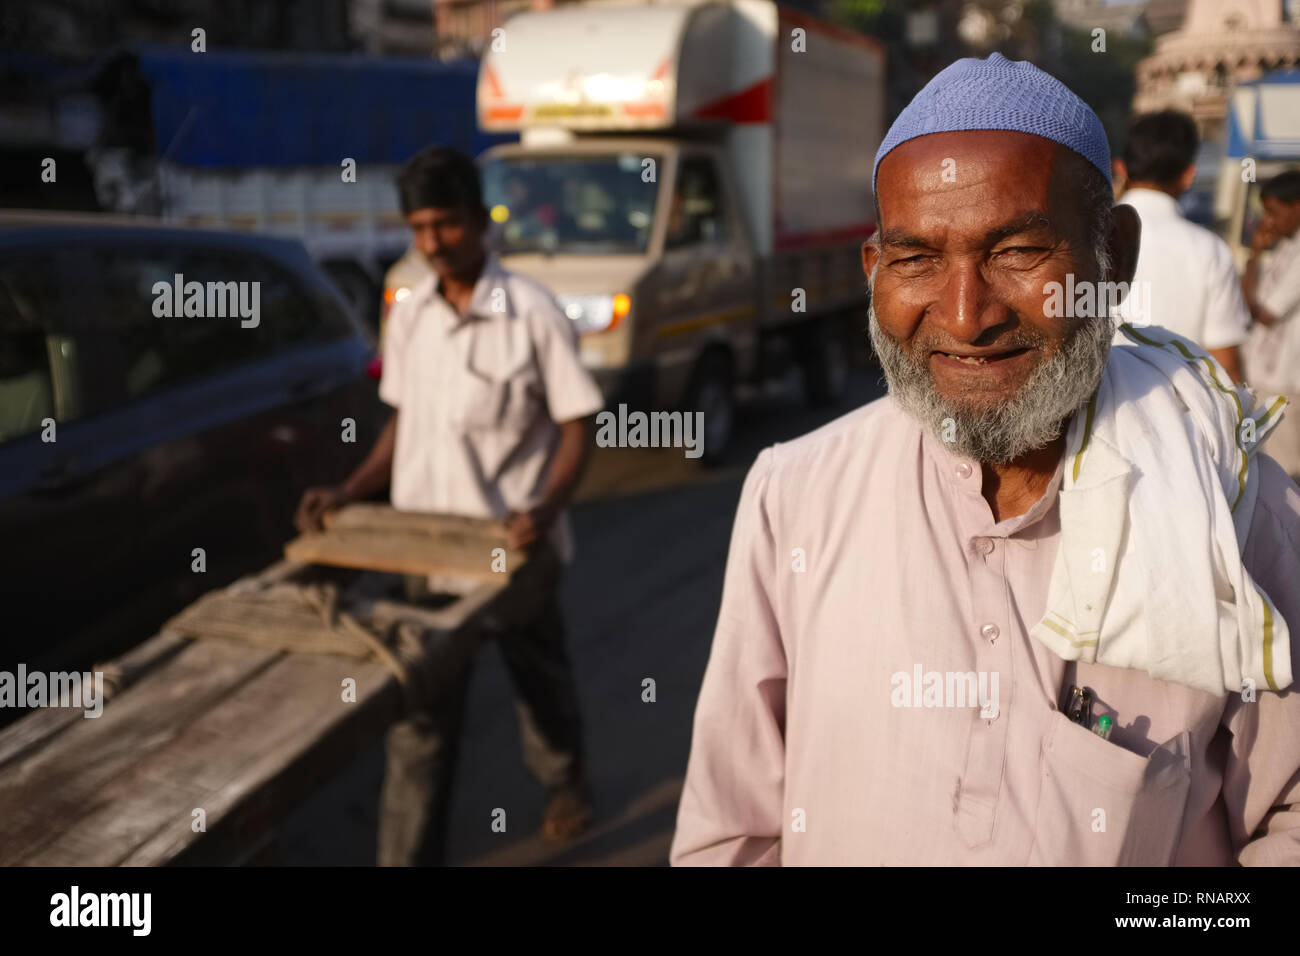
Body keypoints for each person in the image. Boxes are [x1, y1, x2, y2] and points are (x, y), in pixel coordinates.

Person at [671, 54, 1300, 866]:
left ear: (1117, 259)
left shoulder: (1235, 504)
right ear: (875, 273)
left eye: (1017, 251)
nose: (966, 317)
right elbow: (731, 830)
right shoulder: (793, 494)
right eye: (917, 259)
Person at [295, 145, 605, 865]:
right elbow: (402, 424)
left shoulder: (532, 312)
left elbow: (576, 427)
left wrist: (547, 507)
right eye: (418, 228)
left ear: (480, 222)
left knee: (541, 686)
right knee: (421, 717)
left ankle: (567, 783)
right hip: (421, 552)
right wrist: (349, 489)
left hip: (513, 553)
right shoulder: (410, 312)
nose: (432, 243)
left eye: (446, 224)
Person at [1110, 110, 1250, 382]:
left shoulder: (1086, 237)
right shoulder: (1210, 250)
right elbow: (1226, 363)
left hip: (1096, 417)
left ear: (1120, 168)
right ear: (1188, 175)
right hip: (1185, 416)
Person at [1242, 169, 1300, 478]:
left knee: (1285, 473)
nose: (1268, 222)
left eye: (1274, 213)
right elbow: (1246, 303)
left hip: (1285, 382)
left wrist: (1255, 254)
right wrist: (1255, 255)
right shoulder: (1286, 248)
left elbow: (1264, 313)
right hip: (1266, 379)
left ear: (1297, 207)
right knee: (1264, 470)